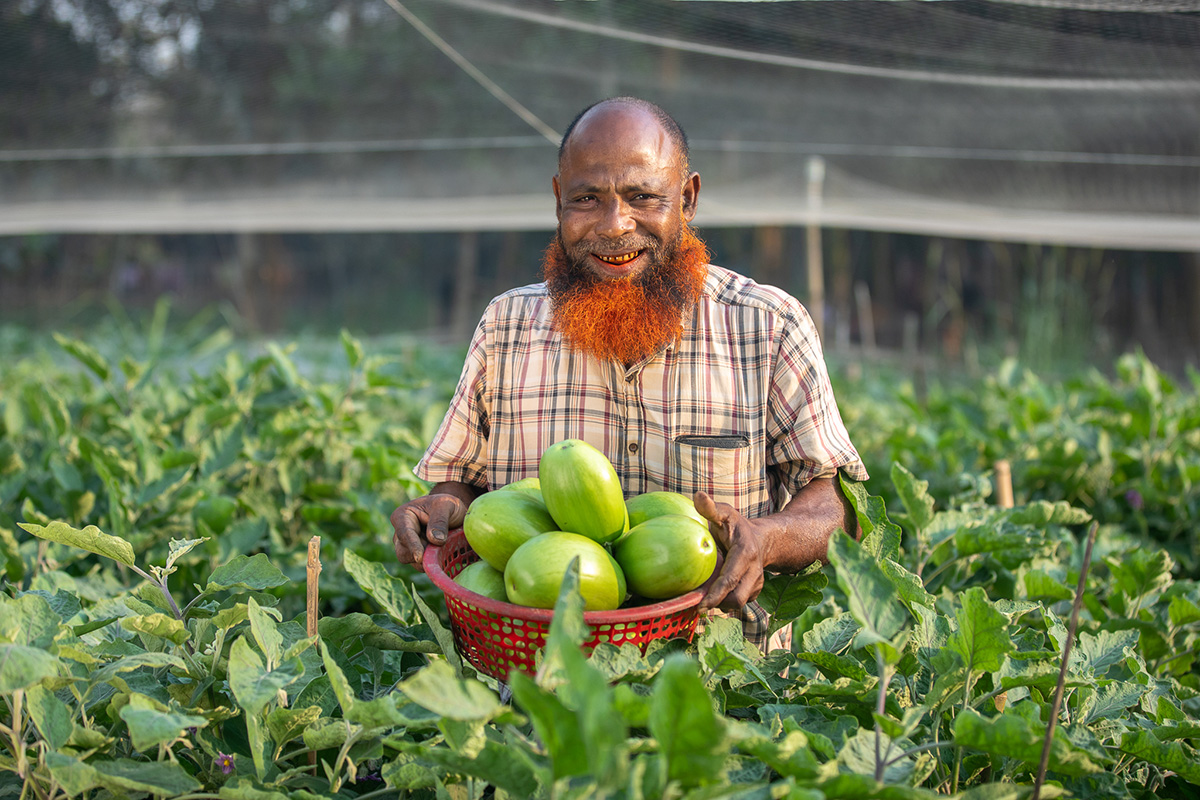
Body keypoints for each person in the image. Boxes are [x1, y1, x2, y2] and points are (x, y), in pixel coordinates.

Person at [391, 96, 867, 651]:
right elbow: (463, 484)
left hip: (725, 679)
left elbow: (836, 506)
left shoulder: (768, 326)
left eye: (642, 196)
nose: (614, 225)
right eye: (586, 199)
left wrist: (768, 537)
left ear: (687, 198)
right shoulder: (507, 327)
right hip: (541, 675)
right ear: (558, 200)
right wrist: (443, 510)